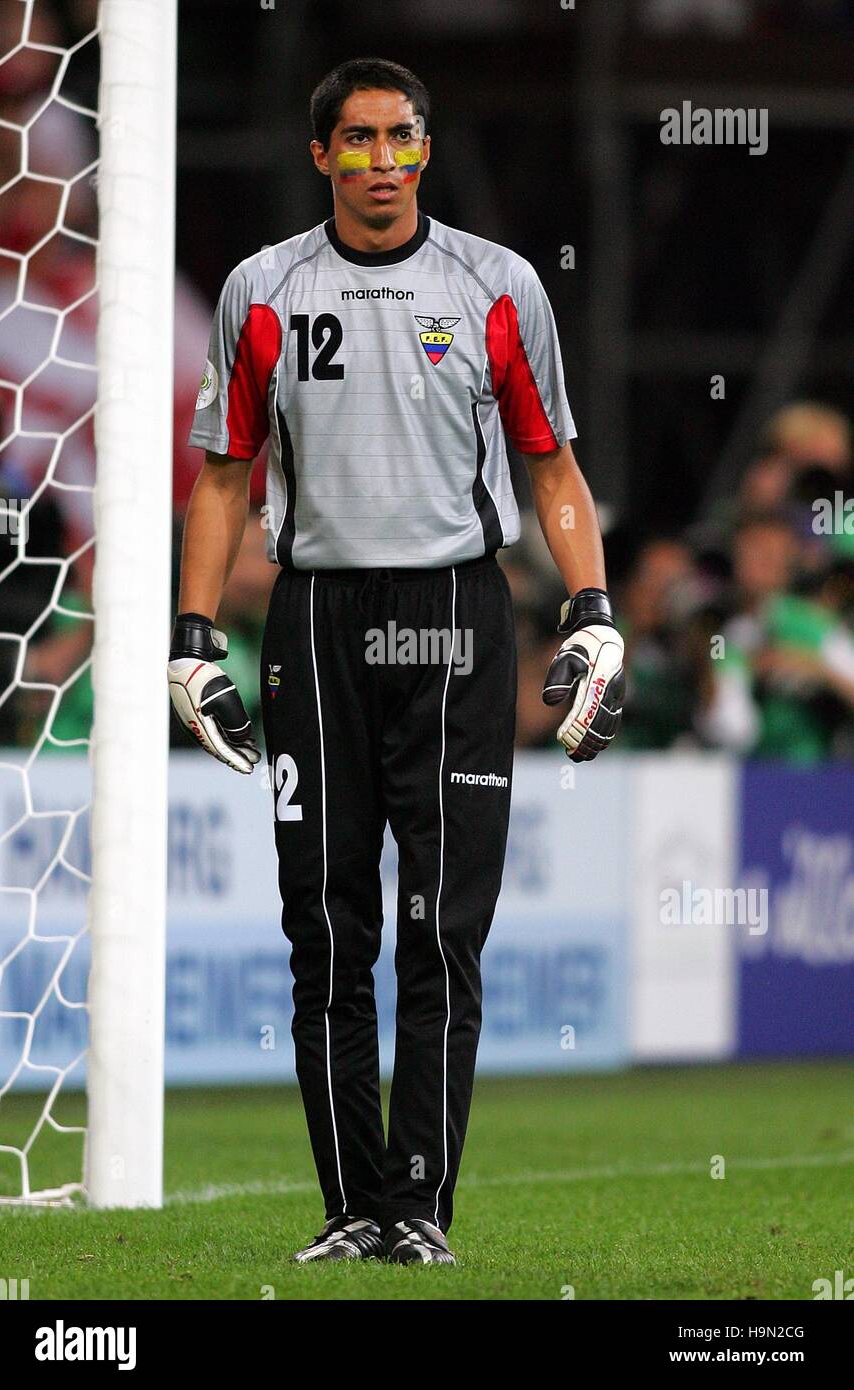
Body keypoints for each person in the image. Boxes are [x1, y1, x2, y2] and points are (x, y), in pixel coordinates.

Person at [168, 58, 625, 1266]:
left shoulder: (496, 285)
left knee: (437, 929)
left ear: (425, 147)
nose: (381, 161)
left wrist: (590, 607)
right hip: (314, 619)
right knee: (325, 928)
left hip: (457, 617)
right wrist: (192, 635)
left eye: (401, 138)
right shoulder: (262, 290)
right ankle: (347, 1207)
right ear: (320, 155)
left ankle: (416, 1204)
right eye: (357, 141)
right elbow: (223, 475)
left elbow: (550, 467)